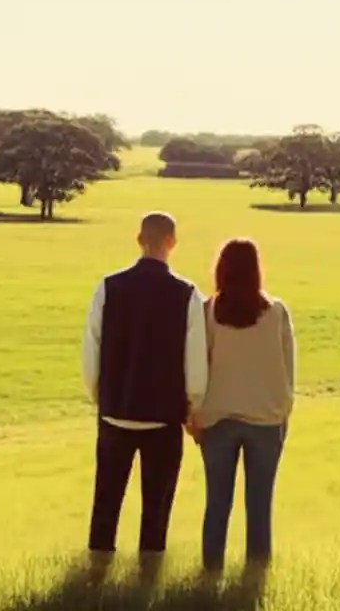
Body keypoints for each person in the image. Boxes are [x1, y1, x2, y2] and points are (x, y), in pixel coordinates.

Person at [82, 212, 208, 574]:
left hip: (114, 412)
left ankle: (96, 572)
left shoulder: (108, 287)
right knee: (157, 505)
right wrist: (191, 407)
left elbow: (91, 351)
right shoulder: (187, 294)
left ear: (139, 239)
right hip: (163, 418)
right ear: (172, 242)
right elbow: (194, 362)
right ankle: (148, 576)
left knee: (105, 499)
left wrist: (102, 398)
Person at [189, 238, 295, 573]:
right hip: (266, 421)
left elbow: (197, 368)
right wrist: (282, 412)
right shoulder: (277, 311)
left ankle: (210, 574)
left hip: (217, 421)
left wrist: (193, 416)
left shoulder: (208, 312)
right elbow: (288, 369)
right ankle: (256, 575)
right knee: (259, 506)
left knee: (217, 504)